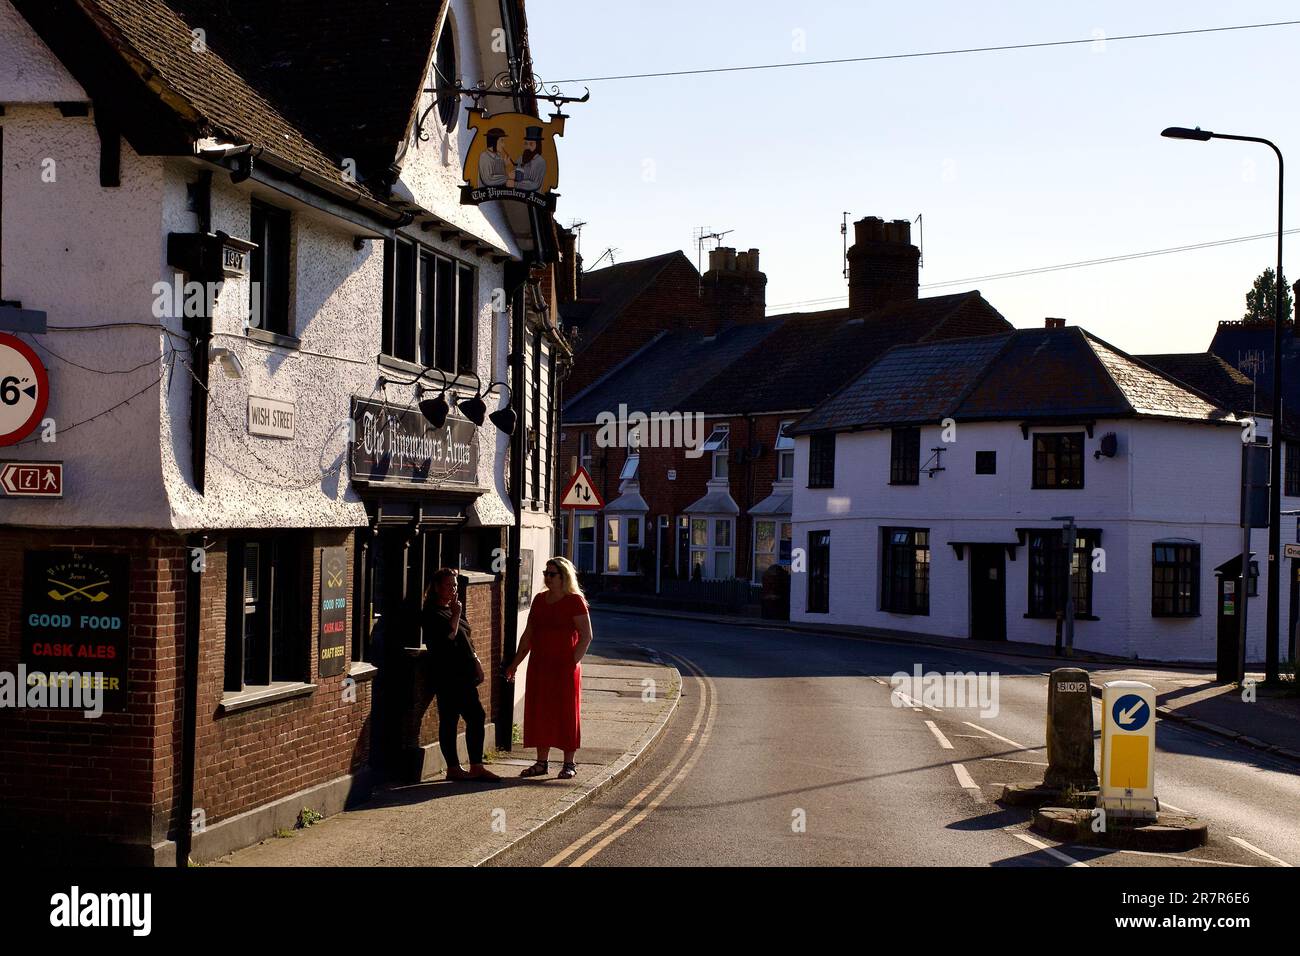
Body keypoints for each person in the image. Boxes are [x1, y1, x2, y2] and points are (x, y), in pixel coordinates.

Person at [505, 556, 593, 780]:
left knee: (565, 712)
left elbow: (586, 636)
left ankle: (569, 763)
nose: (547, 577)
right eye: (546, 573)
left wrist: (572, 662)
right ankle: (541, 762)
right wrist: (514, 664)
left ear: (564, 577)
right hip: (540, 664)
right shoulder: (539, 600)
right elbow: (528, 635)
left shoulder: (575, 601)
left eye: (552, 574)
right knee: (540, 711)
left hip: (565, 666)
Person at [422, 568, 499, 782]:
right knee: (467, 717)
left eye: (455, 585)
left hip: (464, 674)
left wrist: (476, 661)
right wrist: (455, 614)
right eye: (448, 585)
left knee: (459, 718)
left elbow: (466, 638)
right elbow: (447, 639)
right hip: (448, 676)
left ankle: (469, 766)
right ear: (437, 587)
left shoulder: (453, 608)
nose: (453, 589)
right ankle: (462, 767)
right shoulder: (432, 613)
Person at [511, 126, 547, 192]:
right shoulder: (520, 159)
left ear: (537, 145)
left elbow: (535, 184)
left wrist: (515, 184)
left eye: (531, 144)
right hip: (516, 196)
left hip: (532, 199)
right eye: (526, 143)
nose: (528, 147)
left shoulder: (540, 162)